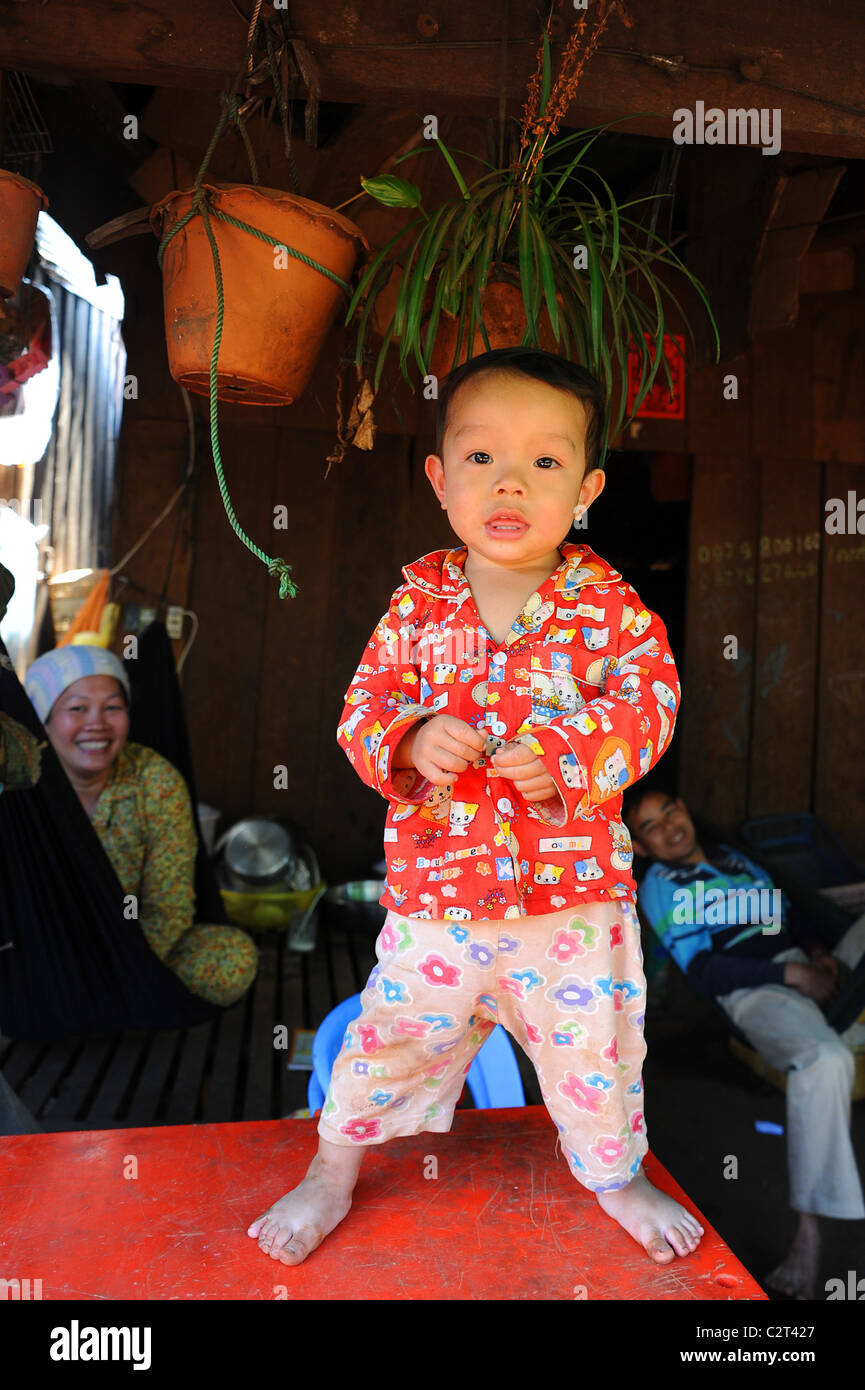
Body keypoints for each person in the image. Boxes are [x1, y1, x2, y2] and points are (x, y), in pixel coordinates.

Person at [249, 345, 705, 1268]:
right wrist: (410, 739)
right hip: (437, 902)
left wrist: (573, 755)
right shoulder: (415, 605)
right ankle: (333, 1170)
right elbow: (361, 710)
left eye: (545, 461)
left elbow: (652, 702)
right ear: (439, 479)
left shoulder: (613, 610)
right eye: (480, 456)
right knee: (389, 1040)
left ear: (585, 490)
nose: (510, 482)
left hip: (571, 903)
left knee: (596, 1055)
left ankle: (615, 1176)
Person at [623, 785, 865, 1300]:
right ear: (641, 847)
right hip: (757, 990)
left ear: (686, 810)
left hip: (807, 969)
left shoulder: (736, 860)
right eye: (651, 826)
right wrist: (793, 975)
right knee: (824, 1060)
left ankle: (840, 1014)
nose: (669, 826)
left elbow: (792, 918)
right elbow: (707, 969)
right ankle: (809, 1232)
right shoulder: (664, 884)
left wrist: (818, 955)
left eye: (670, 811)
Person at [23, 644, 258, 1008]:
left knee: (233, 957)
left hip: (132, 952)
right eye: (77, 708)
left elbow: (170, 905)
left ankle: (104, 1004)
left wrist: (116, 966)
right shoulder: (20, 786)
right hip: (38, 956)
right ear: (43, 719)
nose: (97, 724)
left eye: (112, 707)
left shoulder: (154, 780)